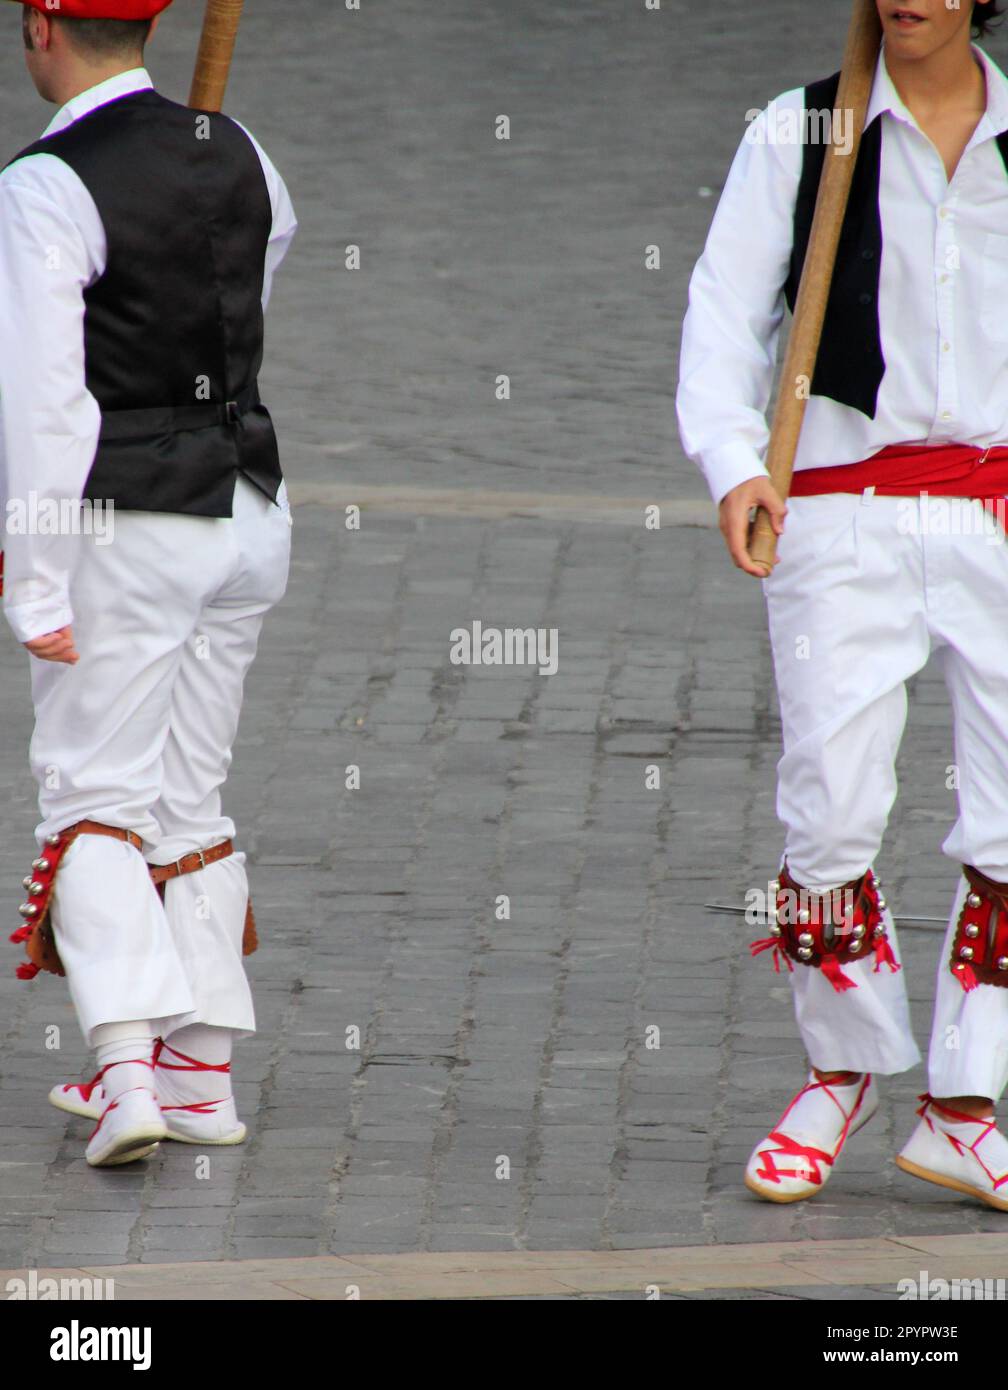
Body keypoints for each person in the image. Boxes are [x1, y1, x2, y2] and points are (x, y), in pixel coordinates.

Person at [677, 0, 1008, 1209]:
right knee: (827, 810)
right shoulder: (801, 131)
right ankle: (839, 1069)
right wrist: (733, 463)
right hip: (838, 508)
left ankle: (966, 1107)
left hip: (999, 506)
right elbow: (722, 314)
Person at [0, 0, 296, 1166]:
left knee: (89, 802)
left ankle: (124, 1070)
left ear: (41, 29)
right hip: (249, 511)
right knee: (188, 798)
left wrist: (35, 582)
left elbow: (44, 408)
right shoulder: (249, 154)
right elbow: (249, 281)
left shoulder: (42, 187)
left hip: (127, 523)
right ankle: (201, 1071)